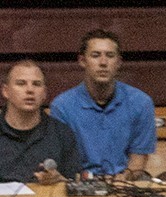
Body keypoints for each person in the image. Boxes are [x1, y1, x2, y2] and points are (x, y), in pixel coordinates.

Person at [50, 29, 156, 179]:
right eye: (95, 55)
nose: (103, 62)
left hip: (125, 184)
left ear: (119, 62)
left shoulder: (141, 103)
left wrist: (119, 182)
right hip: (80, 184)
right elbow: (64, 162)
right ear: (82, 61)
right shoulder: (62, 107)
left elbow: (138, 160)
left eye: (110, 56)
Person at [0, 60, 82, 184]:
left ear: (44, 93)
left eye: (36, 84)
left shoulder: (62, 133)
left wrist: (60, 180)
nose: (30, 90)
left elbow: (74, 183)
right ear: (6, 91)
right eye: (21, 83)